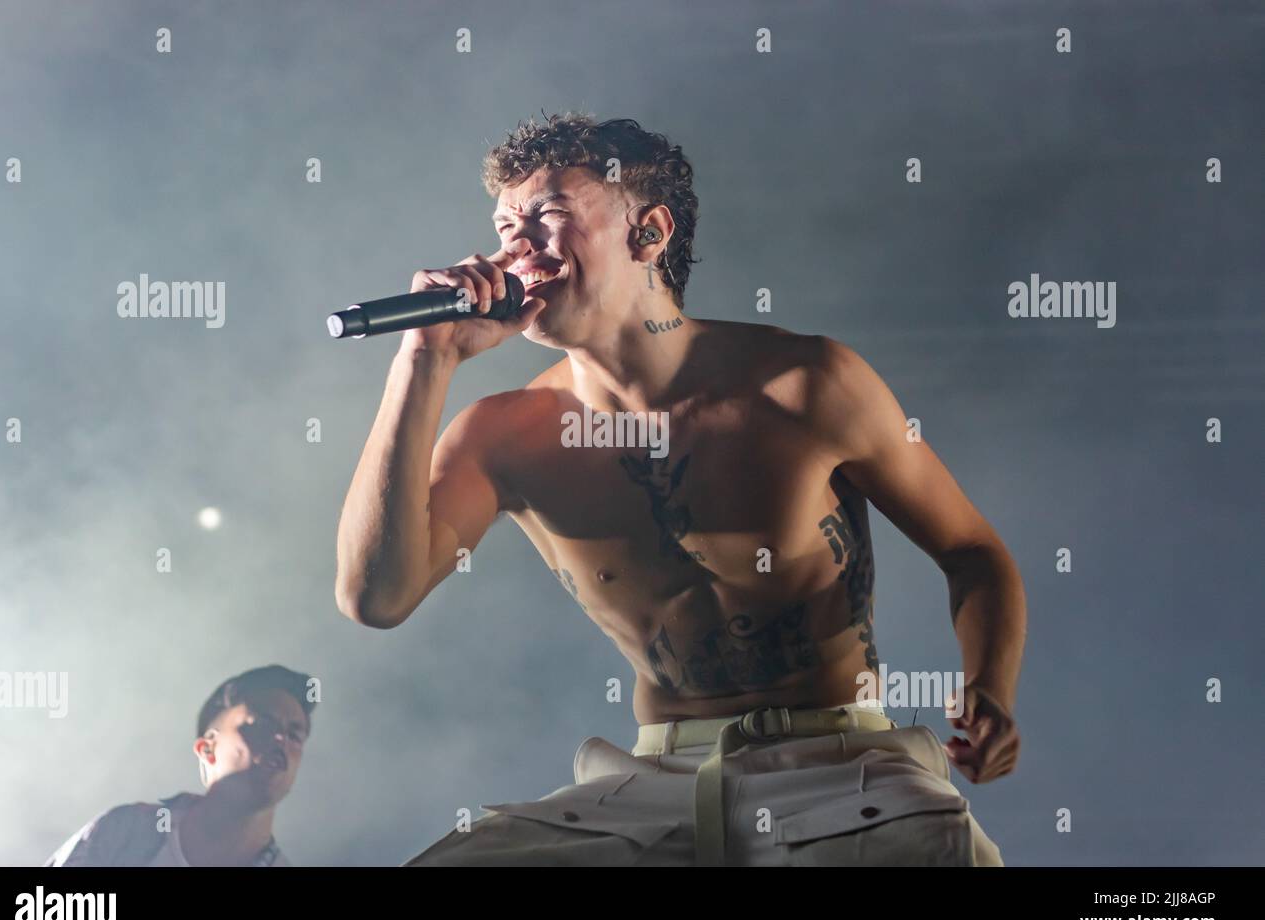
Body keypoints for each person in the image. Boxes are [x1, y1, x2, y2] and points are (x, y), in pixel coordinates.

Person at [335, 112, 1026, 866]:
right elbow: (377, 598)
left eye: (548, 216)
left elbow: (970, 551)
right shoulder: (502, 433)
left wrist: (990, 688)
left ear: (649, 232)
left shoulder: (806, 384)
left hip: (842, 772)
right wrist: (423, 363)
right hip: (646, 786)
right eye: (505, 225)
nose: (516, 247)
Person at [45, 665, 315, 867]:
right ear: (207, 749)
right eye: (263, 723)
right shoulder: (128, 831)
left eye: (295, 734)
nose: (281, 739)